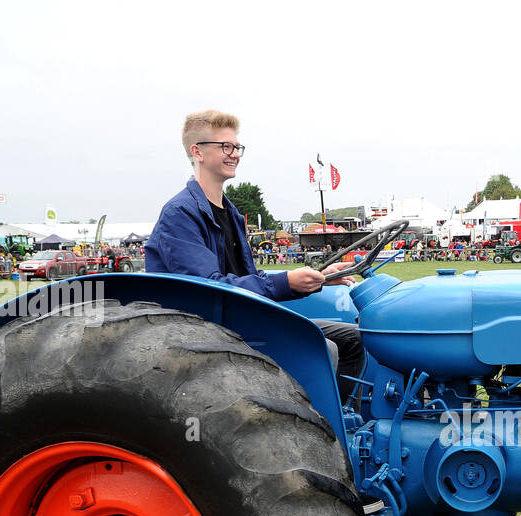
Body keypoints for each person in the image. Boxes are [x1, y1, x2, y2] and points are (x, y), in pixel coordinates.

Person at [146, 109, 362, 404]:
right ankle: (319, 431)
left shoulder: (230, 213)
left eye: (237, 147)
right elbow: (209, 287)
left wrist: (323, 277)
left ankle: (350, 423)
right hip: (207, 328)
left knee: (357, 338)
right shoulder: (180, 214)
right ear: (197, 152)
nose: (234, 153)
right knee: (324, 348)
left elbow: (252, 278)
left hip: (242, 315)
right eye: (225, 146)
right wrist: (287, 282)